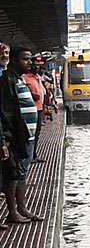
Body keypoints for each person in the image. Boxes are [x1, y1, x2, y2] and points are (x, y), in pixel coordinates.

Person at [0, 43, 41, 227]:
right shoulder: (7, 79)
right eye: (25, 58)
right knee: (13, 175)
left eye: (30, 58)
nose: (29, 62)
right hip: (14, 136)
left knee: (22, 173)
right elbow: (5, 111)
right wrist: (4, 139)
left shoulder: (19, 78)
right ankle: (13, 212)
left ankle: (22, 209)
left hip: (26, 135)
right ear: (15, 60)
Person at [16, 49, 45, 163]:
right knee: (29, 135)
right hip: (29, 111)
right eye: (36, 66)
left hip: (39, 109)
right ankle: (28, 157)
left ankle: (33, 155)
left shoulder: (36, 77)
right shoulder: (23, 77)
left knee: (36, 134)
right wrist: (32, 95)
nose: (37, 68)